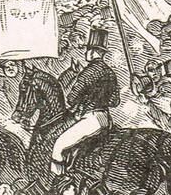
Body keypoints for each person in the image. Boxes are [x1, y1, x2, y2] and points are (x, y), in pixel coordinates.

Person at [51, 27, 120, 178]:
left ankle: (60, 182)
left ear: (92, 51)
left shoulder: (89, 72)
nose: (85, 53)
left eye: (87, 49)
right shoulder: (110, 72)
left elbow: (72, 98)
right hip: (106, 119)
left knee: (58, 147)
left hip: (91, 120)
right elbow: (115, 101)